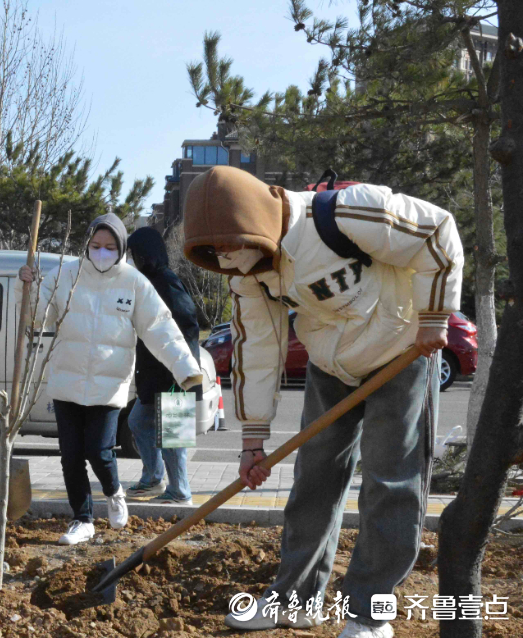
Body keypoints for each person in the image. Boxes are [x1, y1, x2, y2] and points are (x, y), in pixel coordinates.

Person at [182, 166, 462, 638]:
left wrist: (435, 316)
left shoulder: (345, 215)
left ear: (258, 223)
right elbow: (258, 348)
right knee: (312, 481)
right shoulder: (245, 271)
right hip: (329, 366)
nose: (228, 259)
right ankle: (295, 599)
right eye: (217, 253)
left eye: (233, 247)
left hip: (401, 354)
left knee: (390, 483)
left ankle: (369, 615)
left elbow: (437, 232)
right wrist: (253, 440)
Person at [18, 213, 204, 545]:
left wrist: (187, 369)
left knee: (99, 451)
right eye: (95, 245)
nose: (101, 252)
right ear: (87, 244)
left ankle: (114, 492)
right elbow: (34, 317)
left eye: (109, 247)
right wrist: (28, 287)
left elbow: (161, 328)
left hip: (109, 385)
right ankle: (82, 519)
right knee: (71, 455)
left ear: (121, 249)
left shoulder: (134, 283)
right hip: (67, 380)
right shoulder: (65, 276)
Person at [125, 227, 203, 505]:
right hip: (155, 375)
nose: (134, 260)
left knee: (174, 436)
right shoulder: (149, 281)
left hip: (176, 374)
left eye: (136, 254)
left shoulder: (166, 281)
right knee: (137, 421)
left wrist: (178, 360)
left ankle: (179, 491)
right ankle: (153, 479)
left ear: (148, 254)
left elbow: (187, 321)